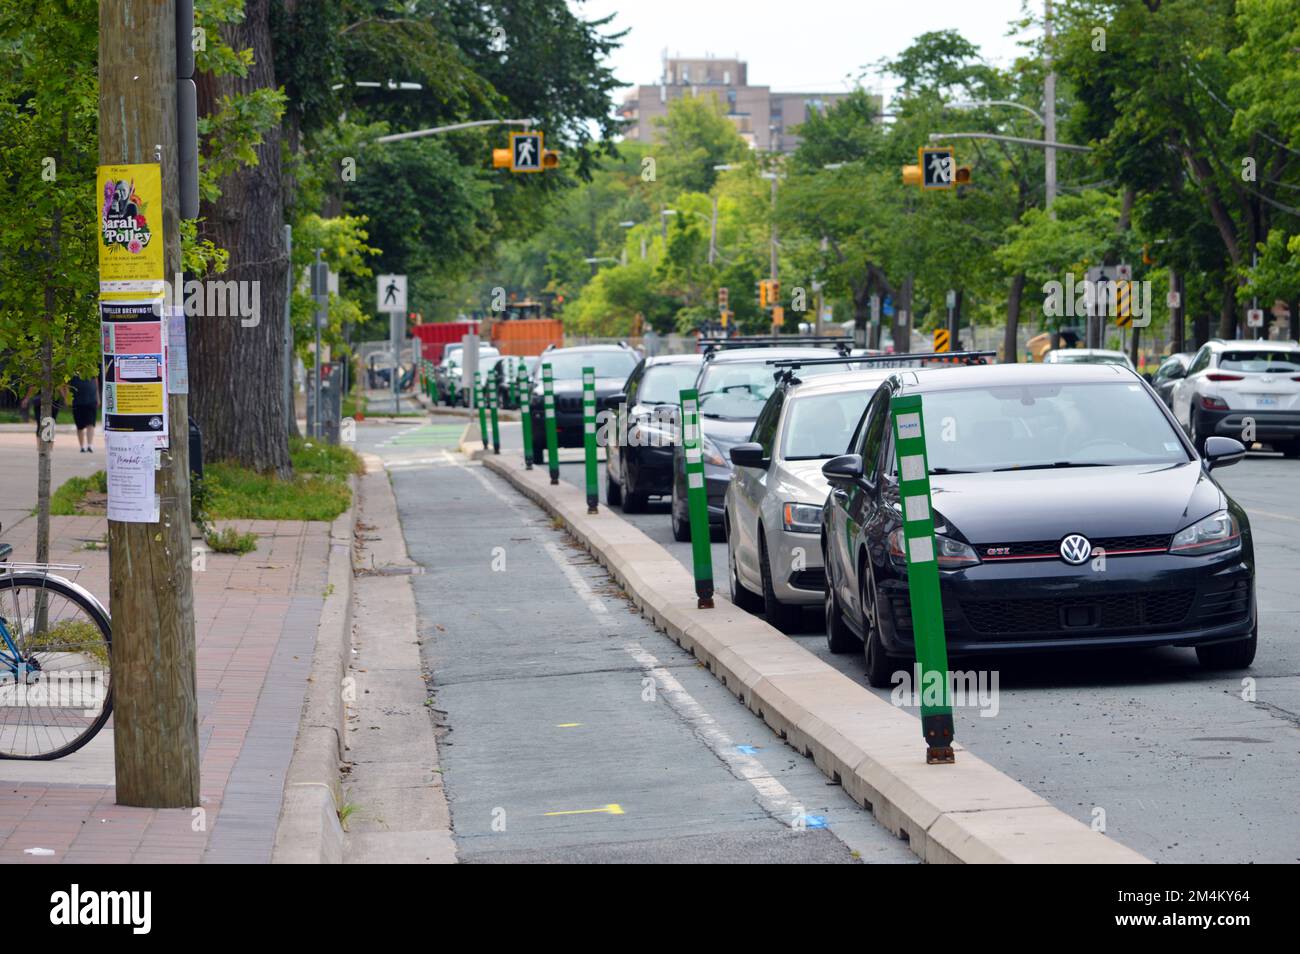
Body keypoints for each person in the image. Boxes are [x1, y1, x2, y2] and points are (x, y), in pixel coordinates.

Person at [20, 382, 72, 447]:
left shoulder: (57, 377)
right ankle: (40, 446)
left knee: (50, 423)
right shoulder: (38, 376)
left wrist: (66, 398)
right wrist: (26, 399)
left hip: (53, 401)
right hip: (40, 401)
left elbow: (62, 386)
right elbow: (32, 387)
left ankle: (49, 446)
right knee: (41, 424)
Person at [69, 374, 100, 452]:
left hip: (91, 399)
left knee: (91, 423)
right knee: (79, 426)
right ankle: (82, 447)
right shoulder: (72, 370)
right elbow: (65, 384)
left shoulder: (90, 369)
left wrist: (98, 397)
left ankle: (90, 445)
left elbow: (96, 381)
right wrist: (67, 398)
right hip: (77, 401)